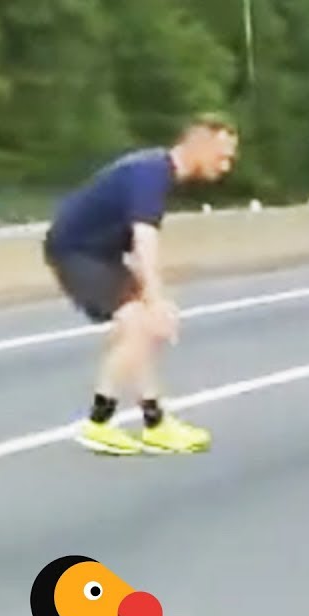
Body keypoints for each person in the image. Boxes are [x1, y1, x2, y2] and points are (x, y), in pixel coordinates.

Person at [43, 113, 239, 455]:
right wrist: (156, 299)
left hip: (100, 253)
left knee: (142, 326)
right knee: (138, 322)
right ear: (197, 142)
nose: (225, 167)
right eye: (221, 156)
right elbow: (144, 238)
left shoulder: (157, 172)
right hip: (76, 251)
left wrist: (152, 301)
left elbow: (133, 239)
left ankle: (155, 423)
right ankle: (98, 424)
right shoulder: (151, 174)